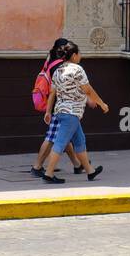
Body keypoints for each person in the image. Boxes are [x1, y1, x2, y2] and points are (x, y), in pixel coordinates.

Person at [41, 42, 109, 184]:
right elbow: (88, 90)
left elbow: (52, 93)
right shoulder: (77, 69)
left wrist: (48, 111)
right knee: (59, 144)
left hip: (61, 111)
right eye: (79, 53)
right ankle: (48, 173)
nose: (81, 56)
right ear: (73, 55)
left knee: (79, 141)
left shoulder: (58, 70)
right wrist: (102, 104)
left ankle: (90, 171)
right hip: (71, 113)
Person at [29, 38, 83, 178]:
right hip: (60, 107)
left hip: (60, 107)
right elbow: (57, 88)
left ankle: (77, 164)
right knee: (52, 137)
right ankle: (37, 166)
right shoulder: (59, 66)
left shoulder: (50, 61)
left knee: (64, 136)